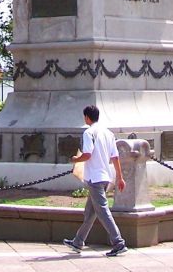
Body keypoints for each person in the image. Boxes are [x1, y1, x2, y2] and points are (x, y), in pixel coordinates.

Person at [62, 104, 128, 257]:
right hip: (105, 177)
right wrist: (120, 177)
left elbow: (87, 154)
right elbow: (115, 157)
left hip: (94, 178)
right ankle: (78, 241)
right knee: (90, 212)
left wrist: (75, 159)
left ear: (86, 117)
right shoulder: (108, 133)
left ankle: (118, 242)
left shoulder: (88, 133)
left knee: (102, 210)